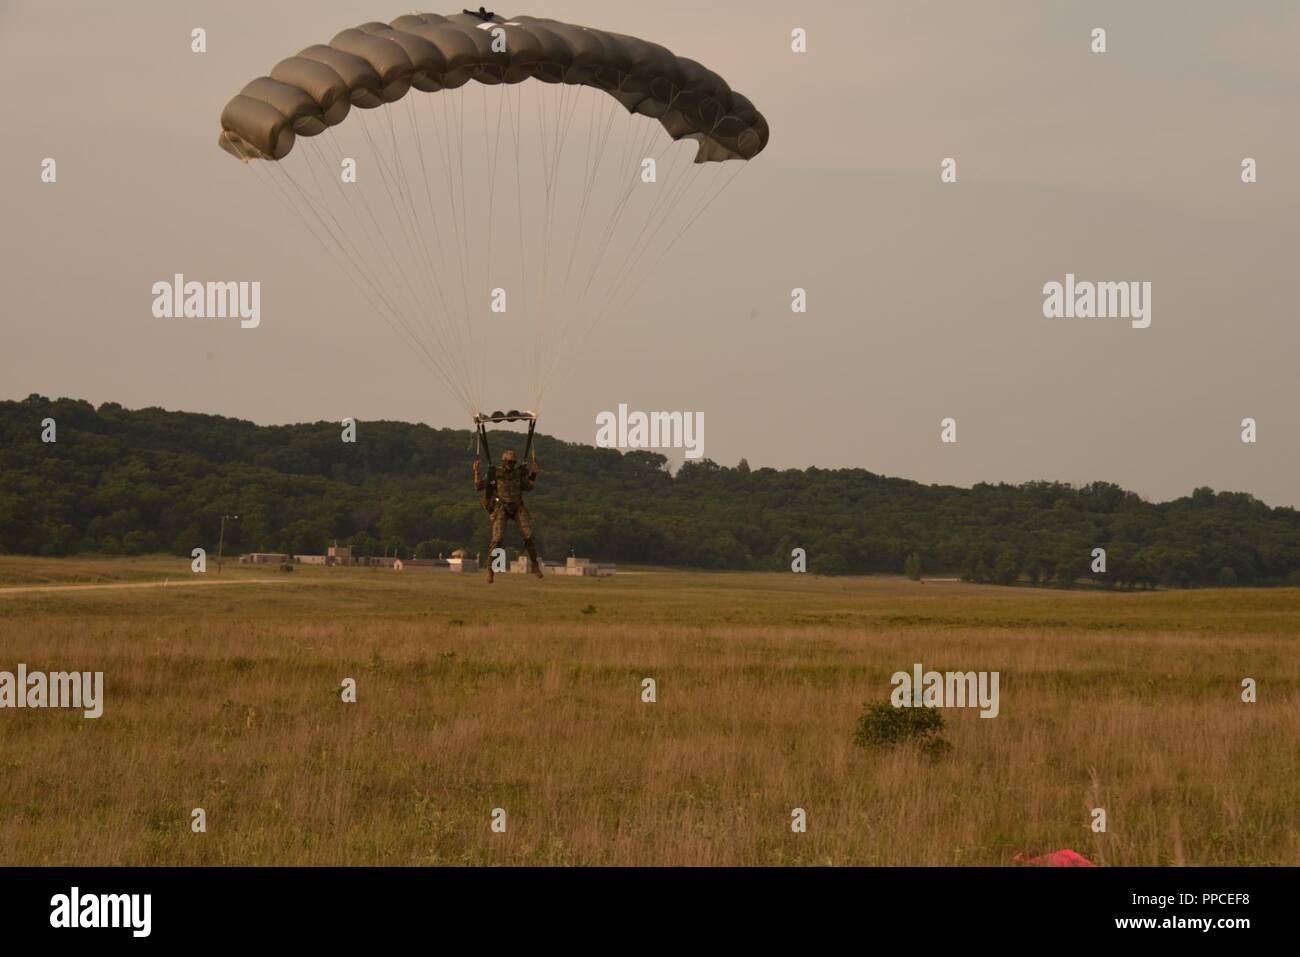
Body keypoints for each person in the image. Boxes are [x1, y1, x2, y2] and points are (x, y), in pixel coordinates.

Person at [473, 449, 543, 583]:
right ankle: (490, 569)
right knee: (497, 540)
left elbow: (528, 487)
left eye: (514, 462)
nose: (512, 465)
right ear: (504, 461)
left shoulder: (518, 473)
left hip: (517, 506)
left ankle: (534, 564)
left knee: (529, 536)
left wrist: (534, 473)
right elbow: (478, 486)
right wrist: (476, 471)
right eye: (510, 462)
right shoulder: (495, 474)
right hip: (501, 508)